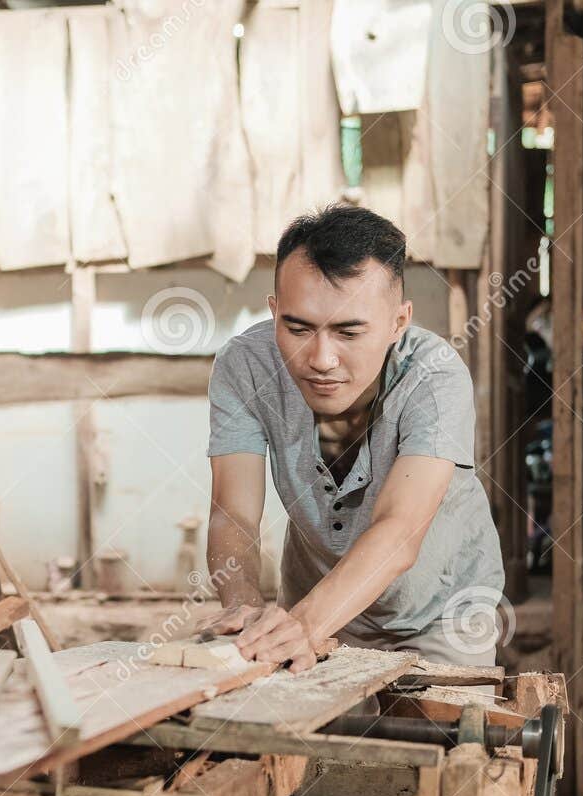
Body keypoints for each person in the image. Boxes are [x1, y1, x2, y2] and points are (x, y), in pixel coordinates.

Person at [201, 204, 504, 669]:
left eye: (348, 332)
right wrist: (242, 604)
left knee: (444, 716)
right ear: (274, 312)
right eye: (298, 328)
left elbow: (399, 530)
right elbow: (233, 511)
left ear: (398, 323)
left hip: (440, 614)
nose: (321, 359)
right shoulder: (245, 366)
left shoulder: (435, 376)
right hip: (312, 600)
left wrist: (305, 626)